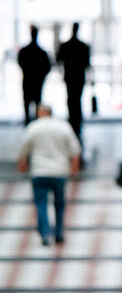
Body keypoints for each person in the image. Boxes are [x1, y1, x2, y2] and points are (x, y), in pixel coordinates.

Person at [17, 103, 80, 247]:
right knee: (59, 204)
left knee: (41, 203)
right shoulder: (63, 127)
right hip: (60, 171)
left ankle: (45, 234)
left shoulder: (34, 127)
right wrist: (74, 166)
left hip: (39, 171)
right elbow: (75, 149)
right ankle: (59, 233)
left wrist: (22, 162)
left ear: (40, 113)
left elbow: (24, 147)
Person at [57, 23, 91, 142]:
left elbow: (58, 60)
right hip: (79, 77)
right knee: (77, 99)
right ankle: (77, 122)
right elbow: (87, 64)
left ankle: (72, 121)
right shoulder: (83, 46)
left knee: (71, 99)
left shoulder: (66, 45)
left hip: (70, 77)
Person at [17, 25, 51, 124]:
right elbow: (47, 67)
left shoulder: (24, 51)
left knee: (27, 103)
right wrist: (41, 76)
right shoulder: (42, 52)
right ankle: (35, 123)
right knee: (36, 103)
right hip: (37, 82)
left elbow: (20, 63)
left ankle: (28, 123)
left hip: (27, 80)